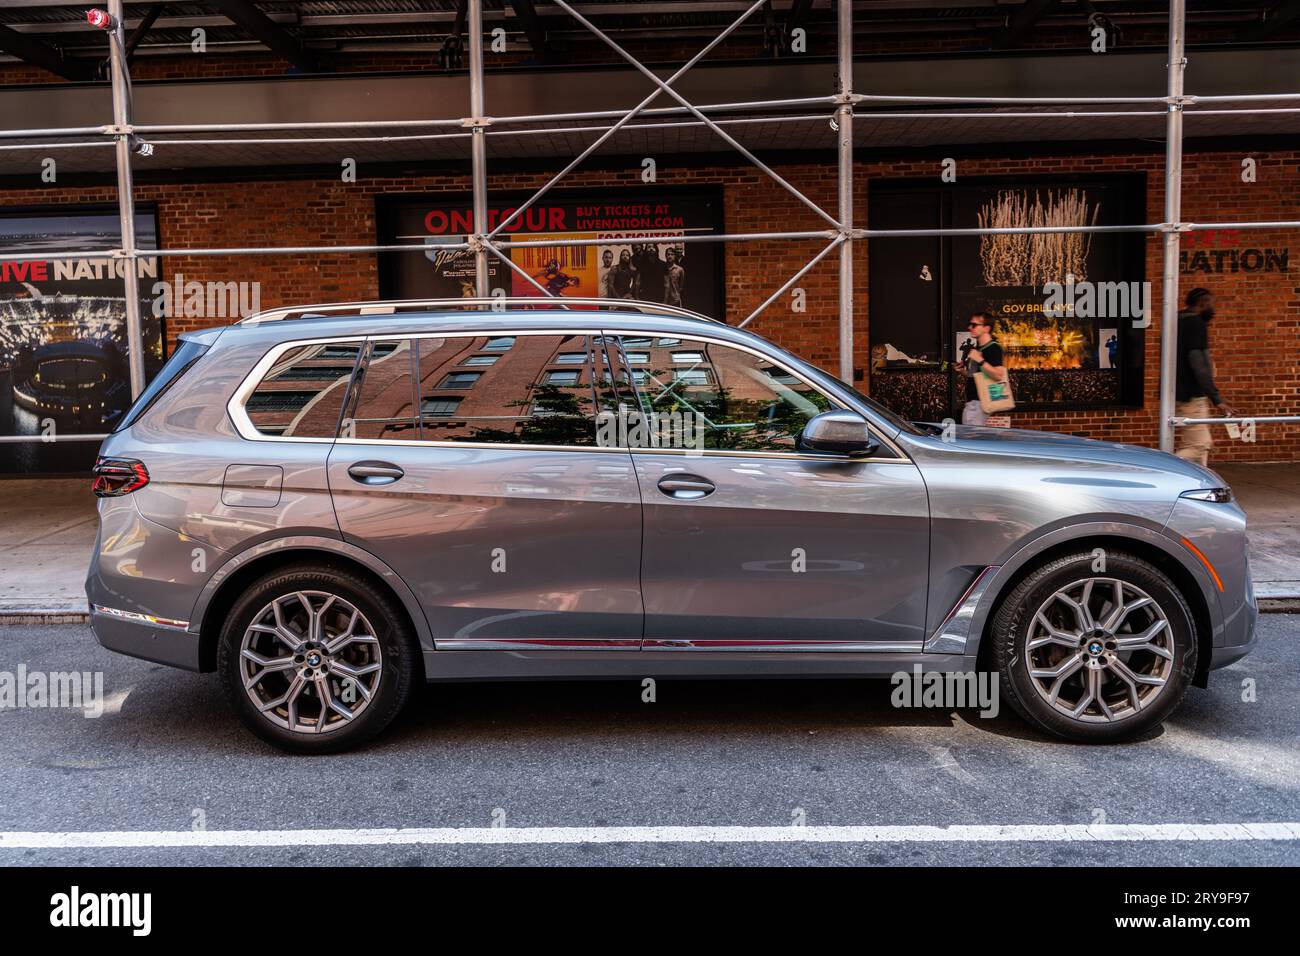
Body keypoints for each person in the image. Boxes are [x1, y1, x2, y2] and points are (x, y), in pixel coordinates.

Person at [1175, 288, 1237, 467]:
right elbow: (1198, 364)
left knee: (1197, 445)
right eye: (1211, 303)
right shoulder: (1196, 324)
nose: (1213, 308)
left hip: (1177, 392)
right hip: (1192, 395)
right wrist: (1217, 399)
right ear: (1202, 303)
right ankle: (1163, 471)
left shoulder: (1176, 321)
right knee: (1199, 445)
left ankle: (1199, 486)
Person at [958, 311, 1007, 426]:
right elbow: (978, 376)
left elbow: (998, 375)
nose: (970, 327)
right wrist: (962, 371)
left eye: (974, 325)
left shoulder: (993, 348)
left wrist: (980, 360)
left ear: (986, 328)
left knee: (972, 441)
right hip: (974, 404)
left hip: (979, 405)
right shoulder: (979, 348)